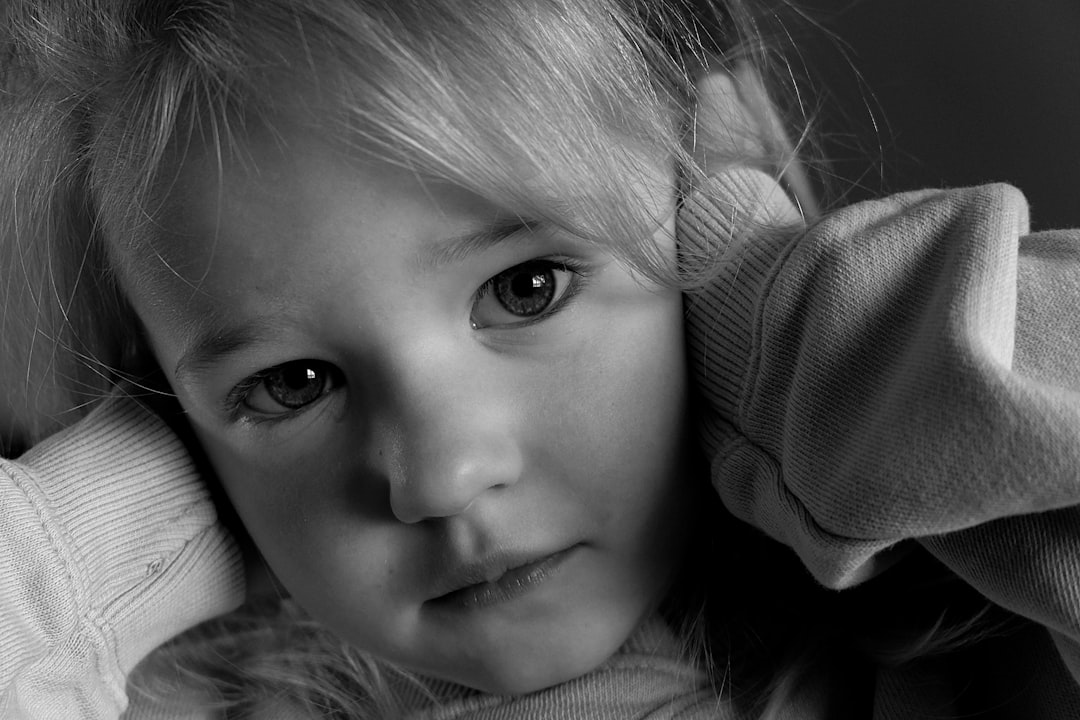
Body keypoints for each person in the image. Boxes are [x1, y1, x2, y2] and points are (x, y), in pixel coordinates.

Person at [1, 1, 1078, 719]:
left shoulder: (966, 614)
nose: (441, 477)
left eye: (527, 288)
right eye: (292, 382)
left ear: (716, 176)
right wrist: (69, 557)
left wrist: (809, 336)